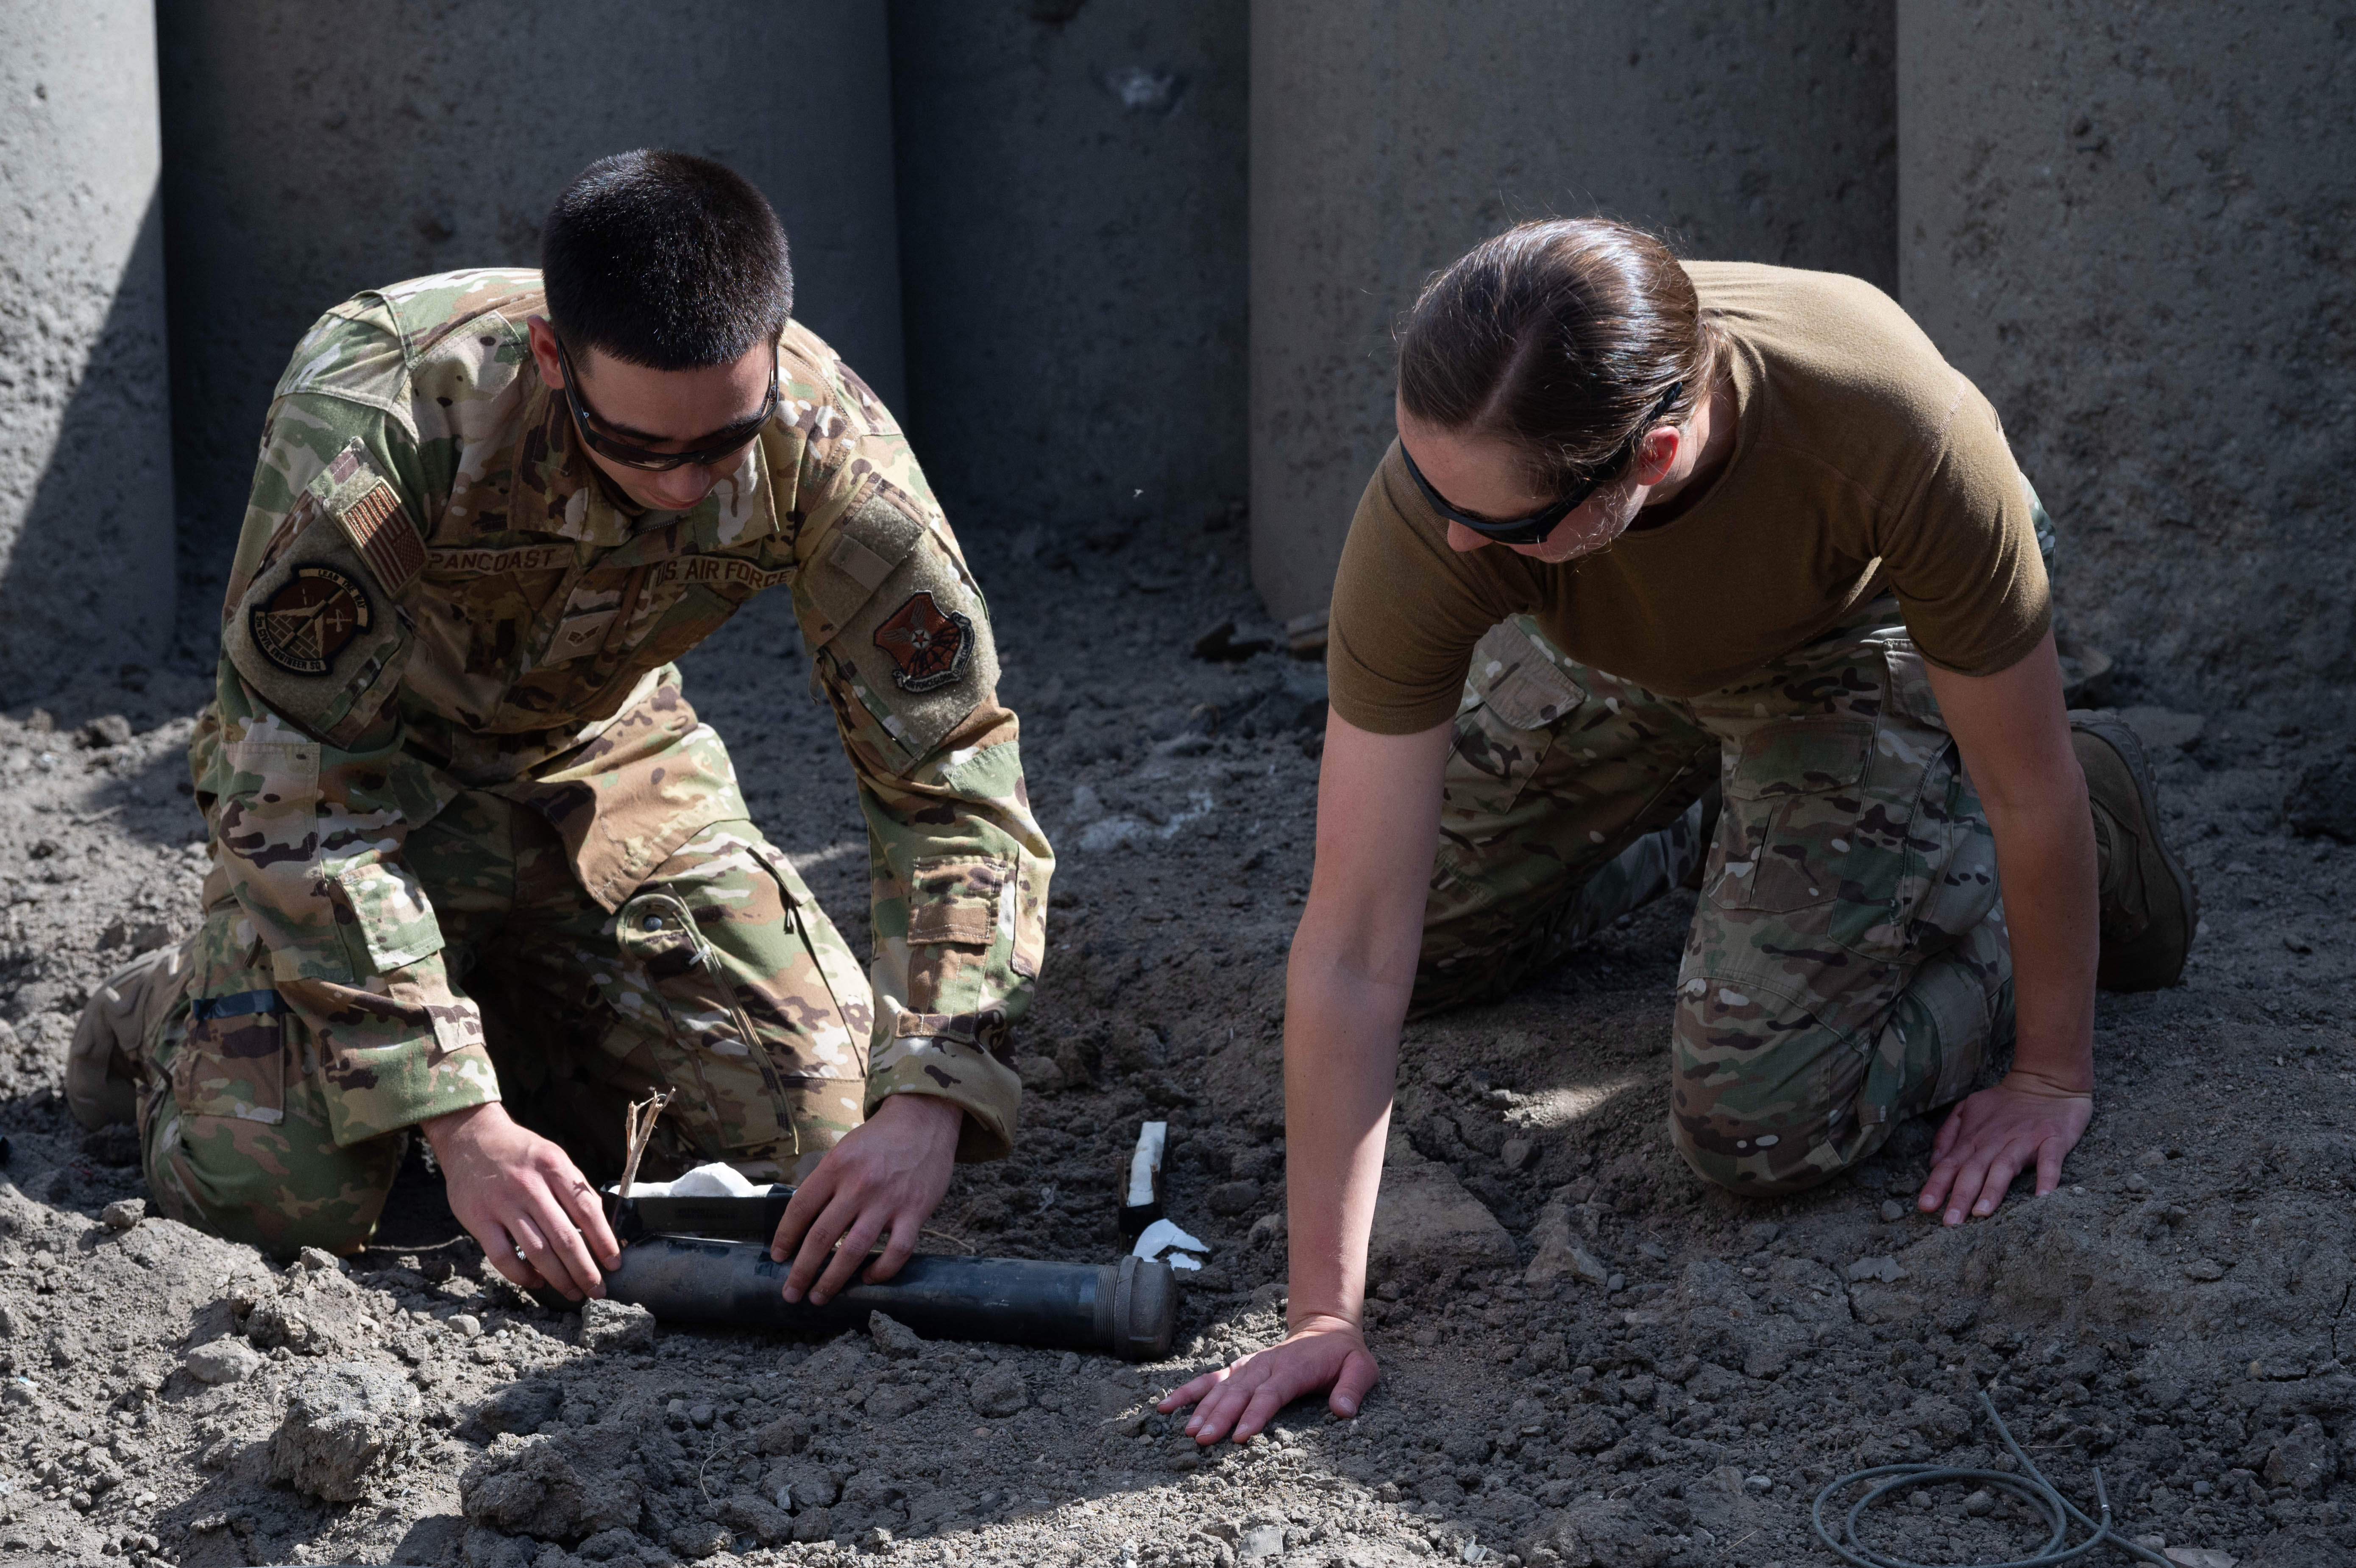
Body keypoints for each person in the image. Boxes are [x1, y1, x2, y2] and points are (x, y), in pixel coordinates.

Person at [1164, 219, 2194, 1443]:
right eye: (1426, 484)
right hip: (1628, 650)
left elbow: (2029, 791)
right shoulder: (1456, 491)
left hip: (1859, 641)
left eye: (1493, 525)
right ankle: (1736, 819)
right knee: (1423, 943)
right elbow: (1355, 939)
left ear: (1653, 453)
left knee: (1757, 1118)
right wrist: (1321, 1315)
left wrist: (2049, 1072)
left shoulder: (1896, 429)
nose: (1445, 539)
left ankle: (2027, 830)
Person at [65, 150, 1051, 1309]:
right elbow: (293, 783)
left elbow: (949, 771)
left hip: (612, 773)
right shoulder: (383, 413)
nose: (686, 488)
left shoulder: (827, 441)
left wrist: (930, 1093)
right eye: (639, 449)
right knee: (275, 1190)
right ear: (552, 359)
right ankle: (176, 1004)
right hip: (383, 793)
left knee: (825, 1145)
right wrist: (461, 1119)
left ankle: (506, 1010)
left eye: (722, 444)